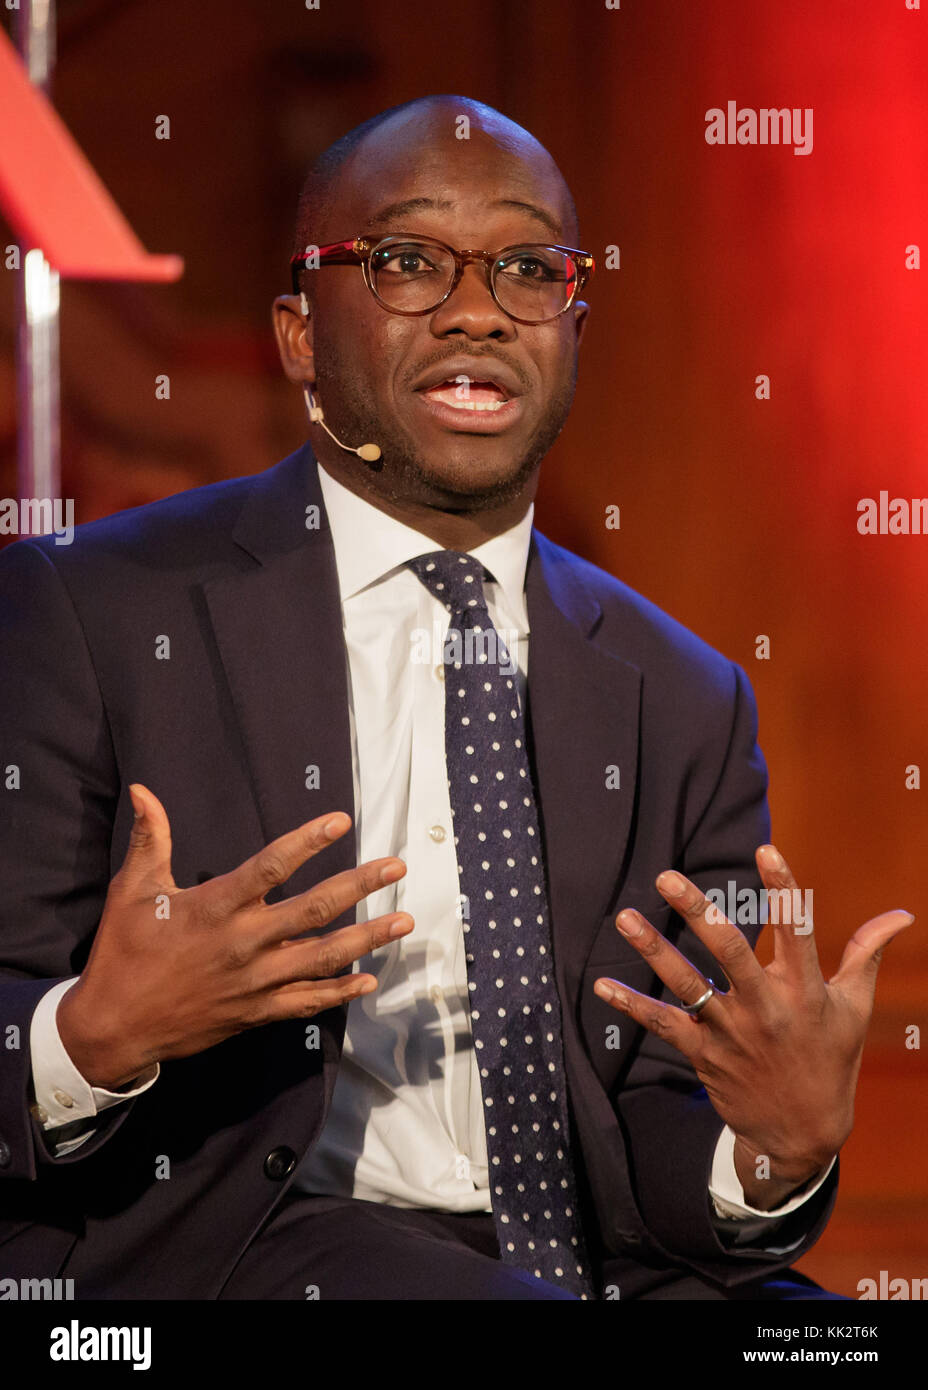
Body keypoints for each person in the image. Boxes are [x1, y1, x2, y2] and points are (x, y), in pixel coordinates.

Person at [0, 95, 911, 1301]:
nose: (478, 308)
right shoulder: (93, 609)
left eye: (530, 267)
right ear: (298, 332)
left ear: (573, 328)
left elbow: (650, 1109)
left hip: (602, 1268)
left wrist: (772, 1153)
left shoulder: (687, 694)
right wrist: (93, 1035)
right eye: (408, 261)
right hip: (251, 1251)